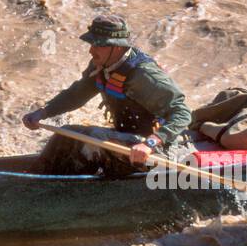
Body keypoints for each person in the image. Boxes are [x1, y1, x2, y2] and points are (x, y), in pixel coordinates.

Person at [22, 14, 193, 176]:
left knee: (94, 140)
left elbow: (182, 113)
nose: (91, 50)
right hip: (128, 140)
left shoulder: (145, 75)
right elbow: (76, 95)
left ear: (117, 46)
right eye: (91, 43)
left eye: (98, 44)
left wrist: (150, 143)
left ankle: (77, 188)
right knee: (66, 133)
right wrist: (43, 112)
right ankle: (41, 177)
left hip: (158, 149)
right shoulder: (101, 65)